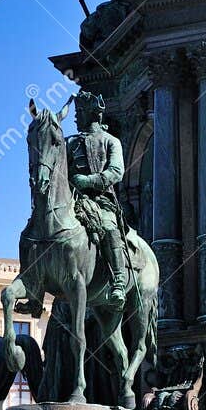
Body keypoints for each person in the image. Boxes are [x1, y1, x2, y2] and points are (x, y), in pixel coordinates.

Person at [65, 90, 130, 302]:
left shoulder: (111, 141)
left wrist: (89, 180)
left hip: (102, 202)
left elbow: (116, 172)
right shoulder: (71, 143)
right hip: (73, 201)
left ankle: (119, 280)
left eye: (80, 111)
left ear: (93, 114)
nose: (76, 116)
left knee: (109, 227)